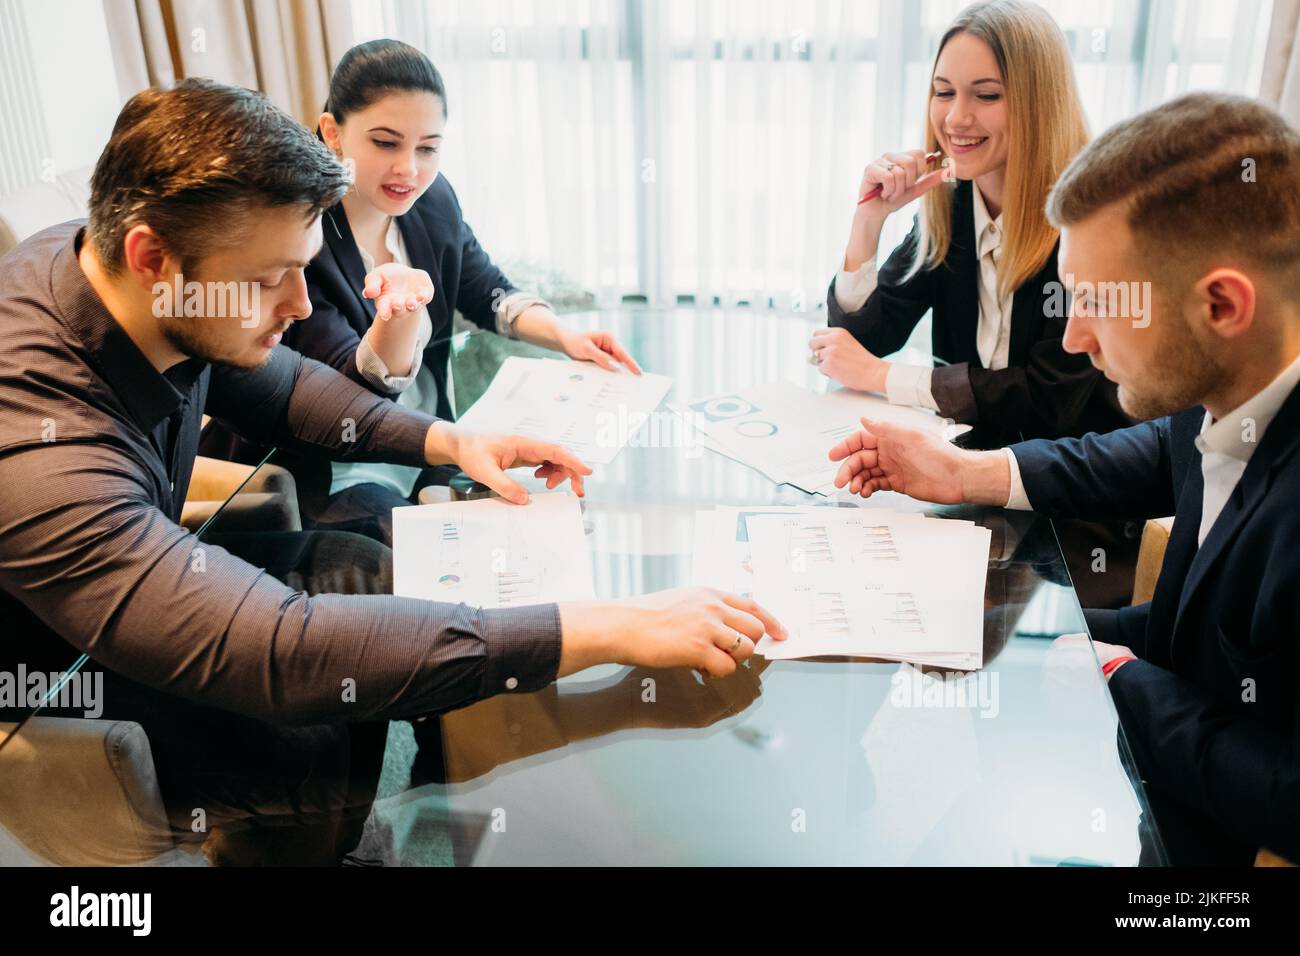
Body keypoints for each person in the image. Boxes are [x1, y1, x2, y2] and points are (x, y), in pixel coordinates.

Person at [0, 79, 784, 861]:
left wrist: (450, 443)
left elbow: (290, 390)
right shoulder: (44, 453)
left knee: (367, 564)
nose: (302, 306)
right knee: (308, 745)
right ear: (151, 258)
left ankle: (386, 792)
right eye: (273, 277)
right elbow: (280, 650)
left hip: (148, 569)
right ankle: (308, 835)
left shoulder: (127, 265)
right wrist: (609, 627)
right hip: (62, 678)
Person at [826, 92, 1300, 865]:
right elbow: (1142, 459)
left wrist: (1115, 672)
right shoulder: (1224, 395)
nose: (1074, 338)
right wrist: (961, 472)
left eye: (1096, 306)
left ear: (1221, 304)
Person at [205, 39, 641, 545]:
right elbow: (348, 400)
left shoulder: (431, 200)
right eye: (386, 143)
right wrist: (400, 313)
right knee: (436, 557)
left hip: (431, 442)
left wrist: (565, 337)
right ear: (333, 133)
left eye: (427, 147)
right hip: (331, 470)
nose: (409, 169)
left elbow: (487, 290)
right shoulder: (301, 235)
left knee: (553, 517)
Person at [811, 0, 1131, 446]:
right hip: (972, 466)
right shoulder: (954, 200)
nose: (956, 118)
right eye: (944, 92)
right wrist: (869, 219)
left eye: (986, 95)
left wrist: (884, 376)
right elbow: (857, 344)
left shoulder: (1092, 221)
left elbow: (1049, 400)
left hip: (1072, 489)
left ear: (1040, 102)